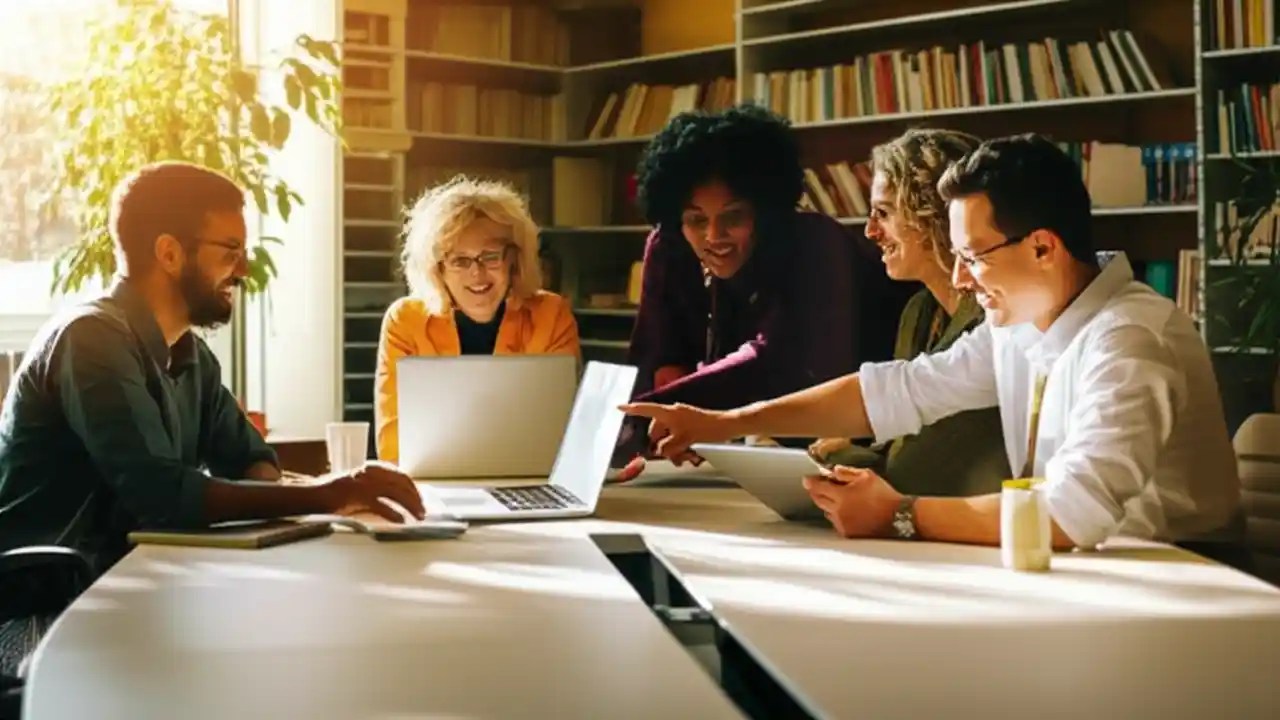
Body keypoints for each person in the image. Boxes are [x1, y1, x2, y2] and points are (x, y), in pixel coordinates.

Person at [623, 133, 1241, 561]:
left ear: (1044, 248)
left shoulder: (1129, 339)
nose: (963, 277)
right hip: (1083, 568)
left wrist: (900, 514)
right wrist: (724, 422)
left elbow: (1069, 513)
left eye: (973, 257)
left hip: (1180, 577)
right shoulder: (1023, 322)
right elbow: (894, 391)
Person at [0, 162, 425, 575]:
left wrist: (291, 487)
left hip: (136, 584)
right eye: (231, 251)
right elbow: (162, 497)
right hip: (44, 606)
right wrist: (331, 494)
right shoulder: (90, 339)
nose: (243, 270)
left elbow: (249, 459)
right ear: (169, 253)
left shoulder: (190, 355)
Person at [616, 103, 907, 468]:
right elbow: (657, 353)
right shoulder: (670, 245)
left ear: (765, 209)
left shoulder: (815, 243)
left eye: (733, 216)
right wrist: (633, 441)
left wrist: (642, 419)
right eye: (695, 219)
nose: (713, 236)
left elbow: (771, 359)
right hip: (771, 447)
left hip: (881, 440)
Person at [808, 128, 1010, 496]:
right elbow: (906, 447)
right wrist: (850, 455)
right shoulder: (918, 312)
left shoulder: (997, 314)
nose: (870, 231)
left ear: (933, 213)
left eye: (883, 213)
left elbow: (939, 460)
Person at [376, 175, 580, 464]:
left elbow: (566, 436)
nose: (478, 273)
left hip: (529, 483)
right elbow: (393, 447)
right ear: (438, 268)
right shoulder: (405, 321)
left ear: (514, 259)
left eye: (491, 256)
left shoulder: (552, 314)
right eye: (460, 260)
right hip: (431, 487)